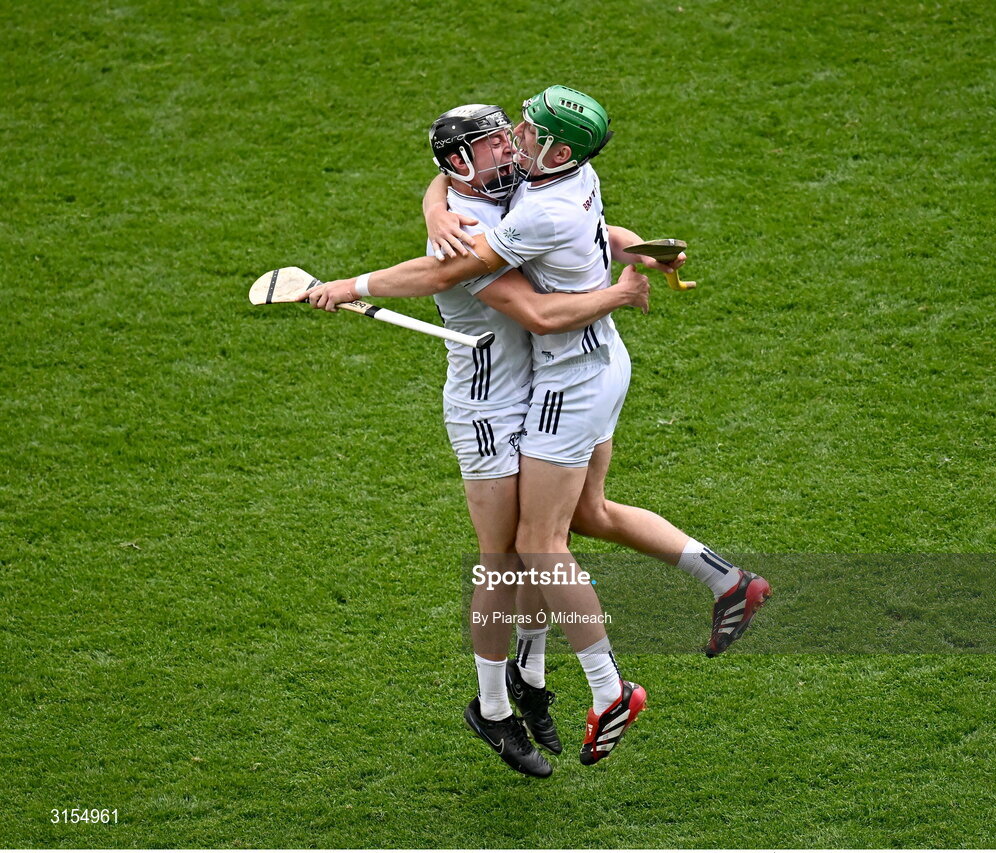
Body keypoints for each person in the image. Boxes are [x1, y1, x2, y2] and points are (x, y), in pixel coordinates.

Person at [302, 86, 771, 769]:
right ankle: (507, 697)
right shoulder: (521, 186)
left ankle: (583, 685)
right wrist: (434, 209)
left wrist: (351, 284)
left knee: (538, 542)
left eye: (519, 132)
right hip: (500, 405)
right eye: (498, 137)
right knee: (535, 541)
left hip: (561, 382)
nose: (511, 141)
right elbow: (451, 238)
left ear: (554, 150)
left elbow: (545, 309)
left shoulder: (522, 195)